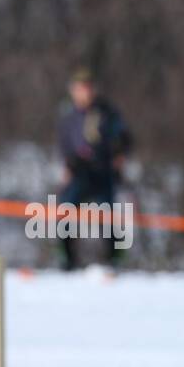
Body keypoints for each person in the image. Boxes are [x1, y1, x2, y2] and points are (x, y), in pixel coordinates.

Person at [55, 68, 133, 270]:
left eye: (88, 88)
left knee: (106, 215)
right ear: (73, 90)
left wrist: (119, 155)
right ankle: (66, 260)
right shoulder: (68, 114)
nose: (85, 93)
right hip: (78, 170)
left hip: (102, 170)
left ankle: (114, 260)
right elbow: (64, 143)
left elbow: (124, 138)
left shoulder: (106, 112)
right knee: (65, 210)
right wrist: (67, 165)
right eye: (80, 88)